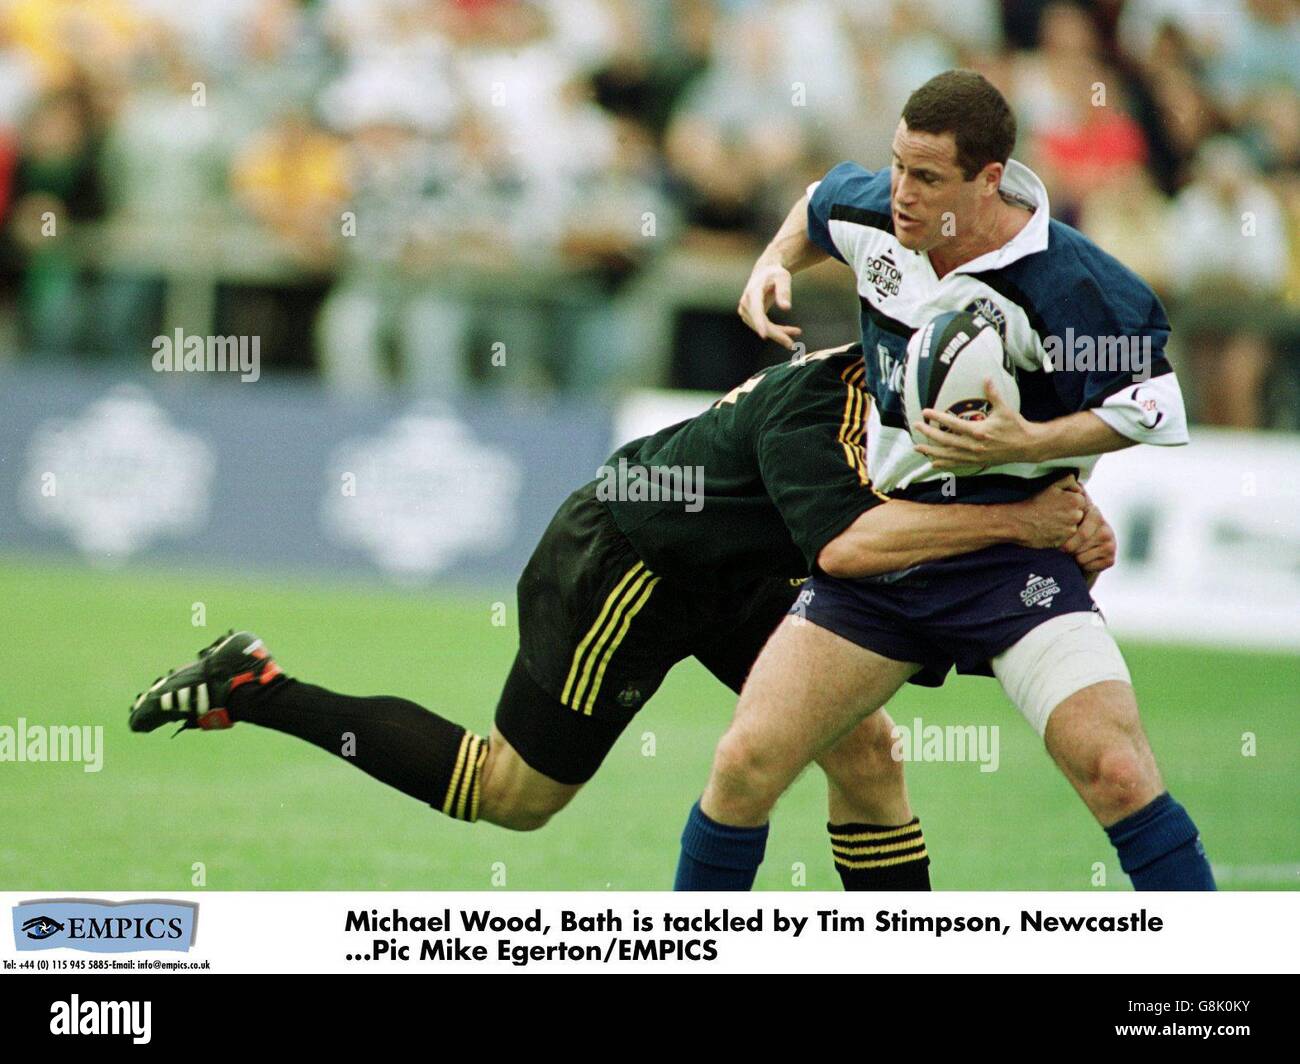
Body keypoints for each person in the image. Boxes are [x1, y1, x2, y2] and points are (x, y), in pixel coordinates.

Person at [129, 341, 1105, 891]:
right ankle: (258, 684)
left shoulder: (916, 378)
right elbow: (861, 553)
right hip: (632, 561)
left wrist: (1053, 518)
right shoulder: (832, 404)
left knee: (865, 750)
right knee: (511, 792)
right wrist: (1025, 529)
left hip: (732, 570)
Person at [675, 69, 1214, 892]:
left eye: (927, 178)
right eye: (897, 166)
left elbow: (1149, 403)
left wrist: (1029, 438)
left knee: (1116, 772)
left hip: (1019, 552)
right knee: (746, 760)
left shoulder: (1068, 283)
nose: (901, 192)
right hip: (891, 544)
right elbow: (819, 200)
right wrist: (772, 264)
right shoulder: (879, 214)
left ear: (988, 179)